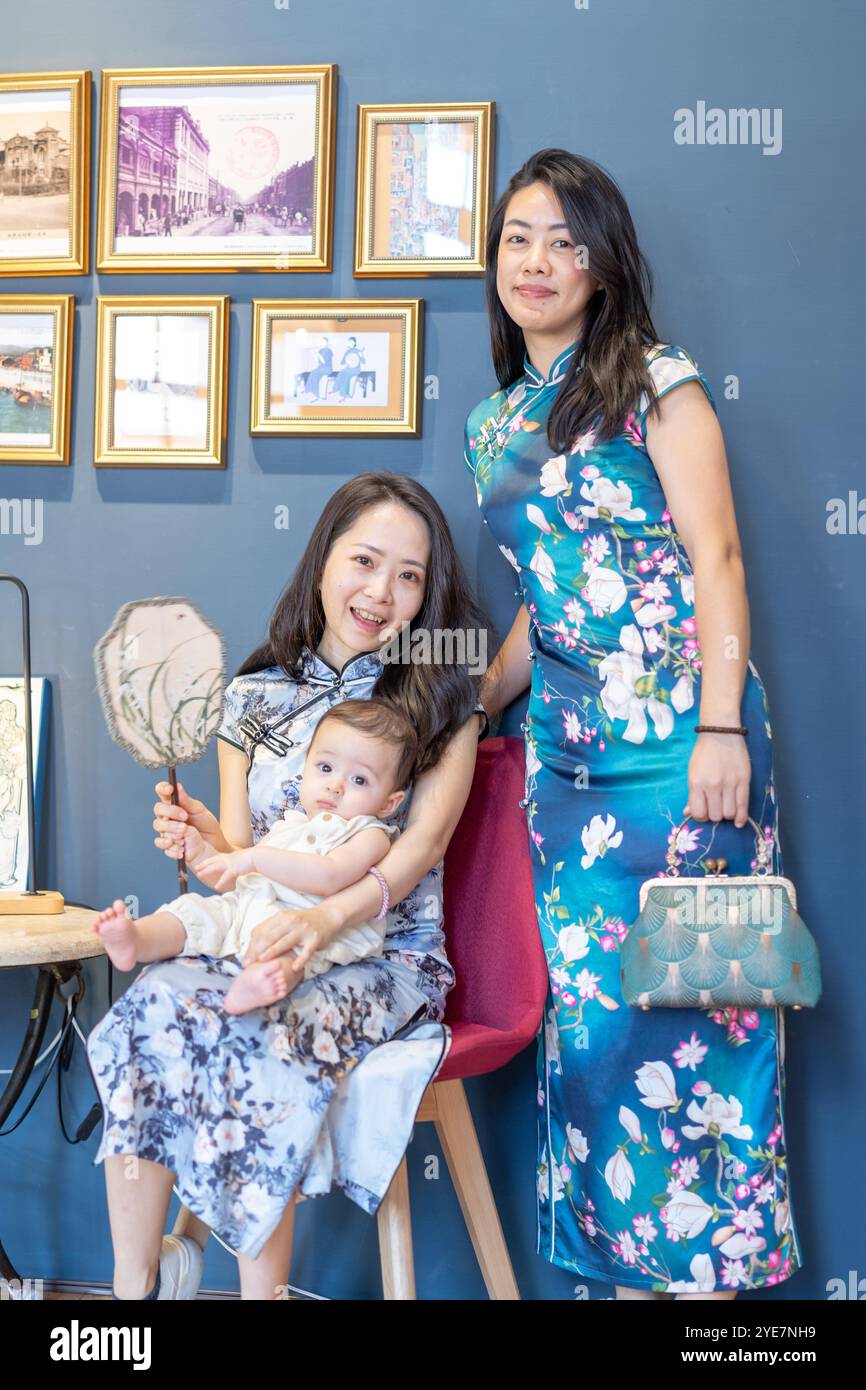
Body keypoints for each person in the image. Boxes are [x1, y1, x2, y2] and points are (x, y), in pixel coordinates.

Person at [465, 148, 802, 1300]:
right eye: (517, 237)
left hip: (677, 758)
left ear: (603, 264)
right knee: (596, 1041)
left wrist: (720, 730)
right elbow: (538, 599)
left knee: (697, 1026)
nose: (536, 261)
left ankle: (705, 1299)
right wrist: (468, 702)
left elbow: (714, 559)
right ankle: (612, 1283)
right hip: (563, 778)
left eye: (564, 240)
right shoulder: (492, 421)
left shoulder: (656, 380)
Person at [86, 471, 490, 1300]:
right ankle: (139, 1287)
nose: (382, 592)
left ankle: (258, 1295)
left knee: (261, 1029)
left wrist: (323, 925)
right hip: (265, 928)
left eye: (409, 576)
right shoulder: (253, 696)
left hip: (380, 955)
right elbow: (242, 849)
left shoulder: (443, 696)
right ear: (322, 562)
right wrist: (203, 840)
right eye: (365, 561)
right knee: (151, 999)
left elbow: (419, 849)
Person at [90, 699, 415, 1016]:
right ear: (305, 768)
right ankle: (138, 939)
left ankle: (260, 985)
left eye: (359, 780)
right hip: (248, 909)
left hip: (307, 926)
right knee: (193, 911)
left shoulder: (369, 834)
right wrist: (202, 851)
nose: (335, 786)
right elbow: (237, 880)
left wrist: (253, 859)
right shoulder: (292, 825)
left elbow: (330, 876)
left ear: (389, 803)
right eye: (326, 768)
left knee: (290, 956)